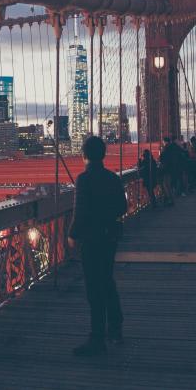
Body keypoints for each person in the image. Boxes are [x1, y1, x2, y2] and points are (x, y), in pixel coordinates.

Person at [68, 136, 128, 356]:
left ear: (84, 155)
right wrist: (106, 215)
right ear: (103, 154)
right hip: (110, 237)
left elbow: (80, 212)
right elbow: (122, 206)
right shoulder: (113, 178)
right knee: (107, 281)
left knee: (94, 288)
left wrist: (72, 234)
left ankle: (97, 339)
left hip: (91, 240)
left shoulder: (83, 179)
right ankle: (115, 329)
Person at [158, 137, 182, 204]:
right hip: (173, 168)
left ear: (165, 142)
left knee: (166, 184)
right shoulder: (173, 148)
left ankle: (170, 199)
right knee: (168, 184)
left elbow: (162, 158)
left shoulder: (166, 149)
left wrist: (161, 154)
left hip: (167, 169)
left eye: (163, 142)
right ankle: (171, 199)